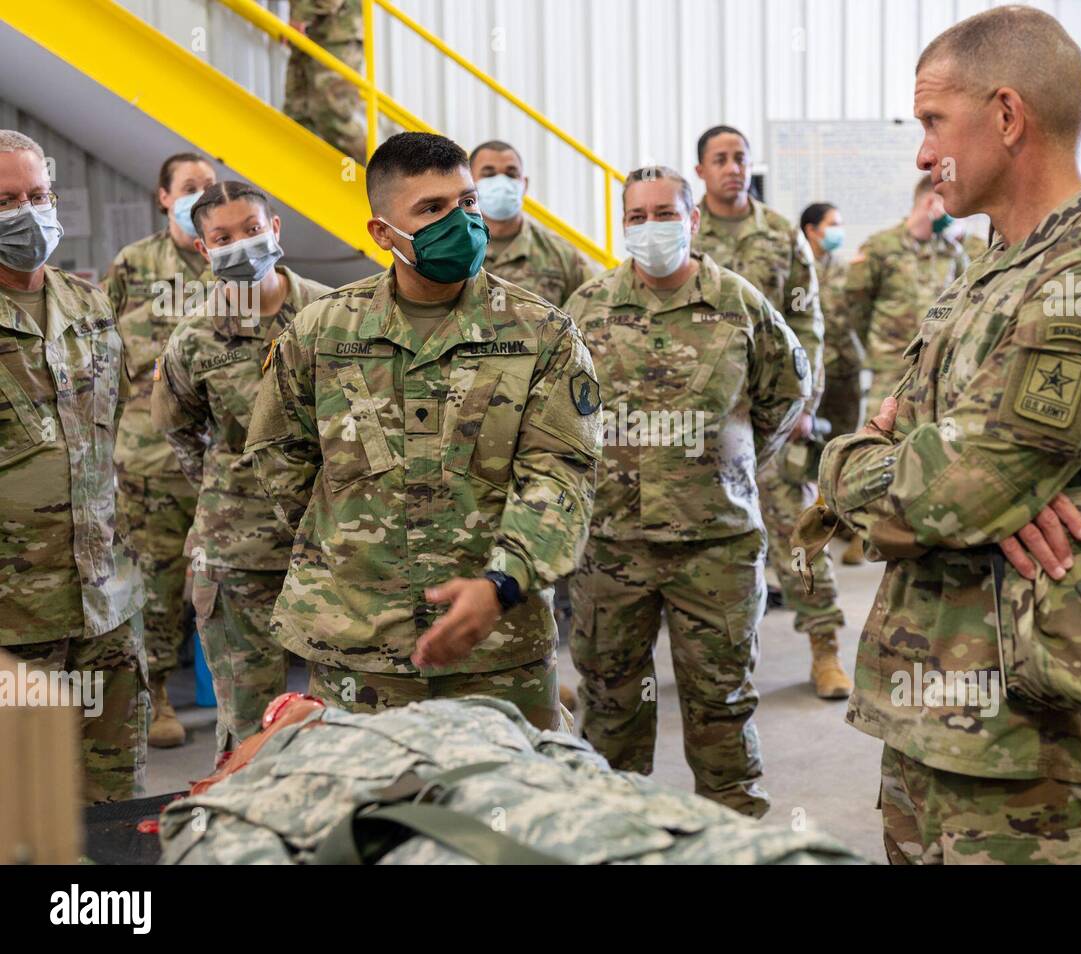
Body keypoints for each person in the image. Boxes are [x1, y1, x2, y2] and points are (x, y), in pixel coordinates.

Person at [818, 6, 1081, 864]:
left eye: (932, 123)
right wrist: (876, 462)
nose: (921, 154)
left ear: (1008, 115)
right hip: (933, 721)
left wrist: (899, 472)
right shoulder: (988, 274)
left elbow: (949, 491)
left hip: (1035, 752)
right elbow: (930, 475)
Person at [243, 132, 601, 731]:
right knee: (368, 818)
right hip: (355, 647)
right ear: (383, 232)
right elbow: (281, 454)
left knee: (509, 814)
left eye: (465, 203)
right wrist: (353, 549)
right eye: (431, 210)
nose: (458, 222)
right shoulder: (321, 332)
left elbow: (559, 473)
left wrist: (503, 580)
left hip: (498, 647)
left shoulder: (542, 334)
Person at [564, 166, 810, 817]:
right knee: (610, 706)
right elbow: (560, 410)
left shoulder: (739, 303)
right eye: (637, 216)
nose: (652, 228)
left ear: (693, 219)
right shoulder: (587, 308)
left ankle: (733, 835)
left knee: (722, 704)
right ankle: (619, 837)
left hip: (716, 546)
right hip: (612, 548)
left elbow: (785, 394)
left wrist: (729, 467)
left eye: (665, 213)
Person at [151, 182, 331, 755]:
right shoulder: (194, 340)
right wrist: (232, 492)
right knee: (250, 724)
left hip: (336, 544)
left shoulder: (335, 317)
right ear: (203, 251)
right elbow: (181, 430)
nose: (241, 245)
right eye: (222, 238)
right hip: (236, 554)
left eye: (251, 229)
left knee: (347, 712)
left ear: (275, 229)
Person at [0, 130, 147, 802]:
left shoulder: (86, 304)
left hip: (106, 599)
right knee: (23, 802)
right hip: (13, 616)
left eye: (36, 195)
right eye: (6, 200)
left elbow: (109, 430)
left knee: (114, 794)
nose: (27, 213)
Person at [691, 125, 851, 700]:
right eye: (720, 159)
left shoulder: (782, 235)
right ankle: (717, 658)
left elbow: (807, 323)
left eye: (740, 158)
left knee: (798, 534)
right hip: (711, 420)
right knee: (712, 544)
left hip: (778, 418)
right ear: (701, 171)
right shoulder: (686, 230)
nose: (732, 167)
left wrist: (804, 402)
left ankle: (825, 648)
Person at [102, 151, 216, 749]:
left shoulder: (230, 261)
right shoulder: (133, 264)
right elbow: (101, 352)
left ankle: (252, 702)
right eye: (189, 187)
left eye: (211, 186)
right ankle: (158, 696)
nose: (202, 194)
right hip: (152, 460)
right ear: (165, 197)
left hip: (226, 462)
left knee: (232, 584)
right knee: (159, 584)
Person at [846, 176, 968, 425]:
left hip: (937, 368)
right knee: (879, 435)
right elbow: (856, 306)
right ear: (931, 201)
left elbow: (964, 303)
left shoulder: (951, 252)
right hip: (891, 367)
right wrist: (881, 343)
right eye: (948, 200)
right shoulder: (880, 247)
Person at [470, 140, 592, 308]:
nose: (502, 183)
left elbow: (588, 314)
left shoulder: (561, 255)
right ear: (469, 183)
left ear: (524, 184)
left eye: (511, 174)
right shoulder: (450, 250)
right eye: (489, 174)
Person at [800, 202, 865, 442]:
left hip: (845, 366)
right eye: (833, 224)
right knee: (804, 440)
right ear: (812, 230)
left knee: (844, 436)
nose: (840, 230)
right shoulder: (798, 268)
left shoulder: (844, 267)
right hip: (811, 368)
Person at [284, 0, 366, 163]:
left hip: (336, 39)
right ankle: (304, 181)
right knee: (299, 114)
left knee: (334, 119)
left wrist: (300, 16)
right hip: (307, 36)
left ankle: (367, 178)